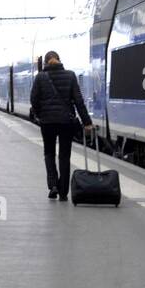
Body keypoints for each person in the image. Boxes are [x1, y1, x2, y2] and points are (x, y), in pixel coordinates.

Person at [28, 50, 93, 201]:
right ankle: (63, 191)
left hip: (47, 122)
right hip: (66, 121)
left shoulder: (40, 77)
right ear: (59, 60)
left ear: (45, 62)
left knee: (49, 153)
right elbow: (79, 101)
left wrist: (39, 114)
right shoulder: (70, 76)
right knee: (65, 155)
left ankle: (53, 186)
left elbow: (33, 100)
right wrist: (87, 123)